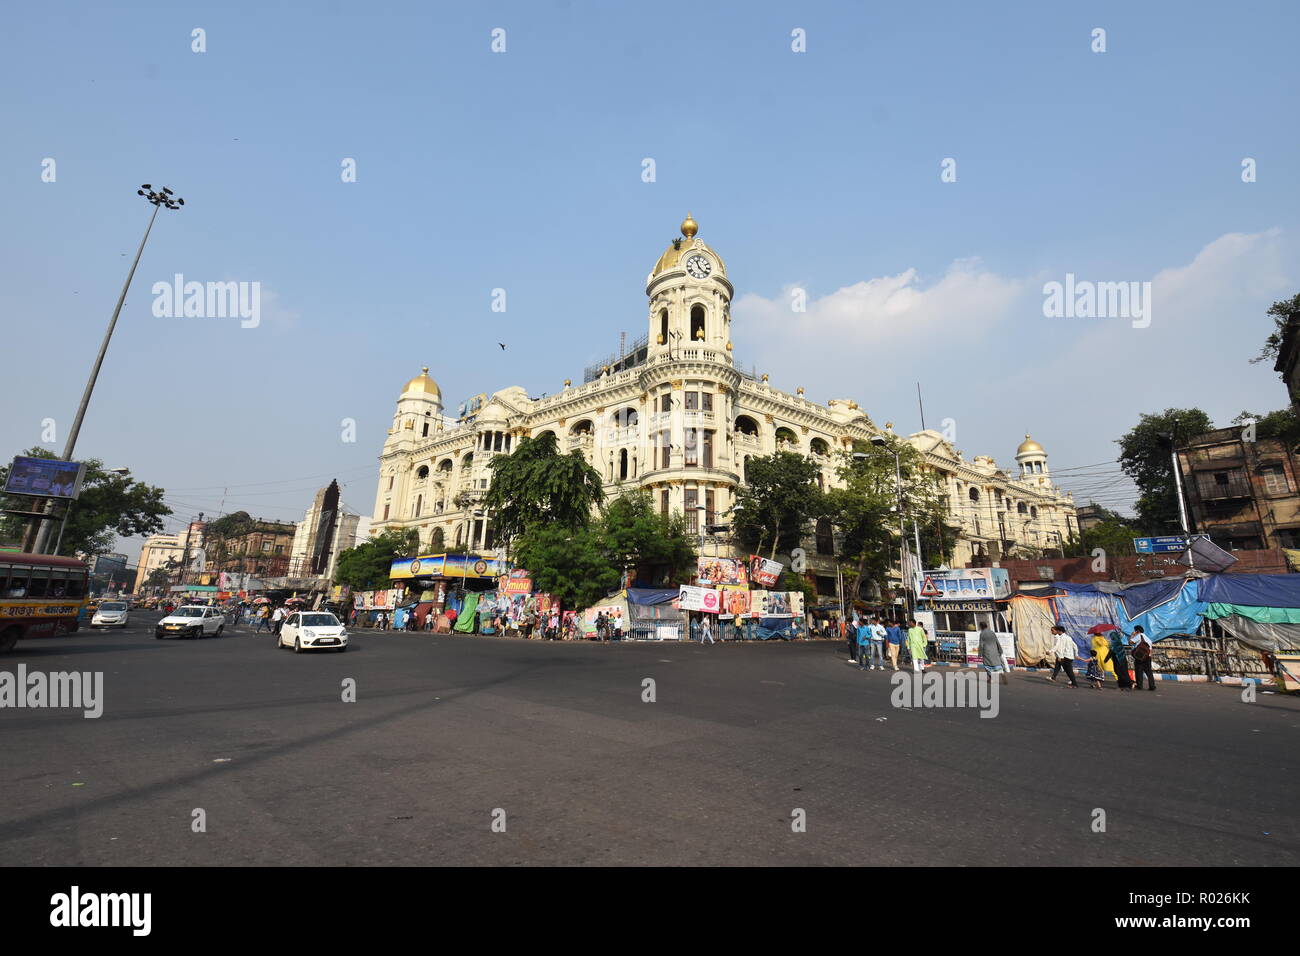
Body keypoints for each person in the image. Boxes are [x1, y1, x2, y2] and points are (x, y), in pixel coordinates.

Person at [978, 617, 1009, 685]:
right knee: (997, 664)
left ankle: (990, 679)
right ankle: (1002, 674)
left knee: (987, 666)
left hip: (987, 652)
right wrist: (1000, 650)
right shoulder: (992, 632)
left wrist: (980, 654)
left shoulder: (982, 634)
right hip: (995, 651)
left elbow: (981, 645)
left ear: (981, 627)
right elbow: (997, 642)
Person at [1131, 626, 1156, 691]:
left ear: (1137, 631)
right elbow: (1150, 650)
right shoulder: (1148, 639)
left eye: (1135, 631)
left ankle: (1139, 686)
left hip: (1140, 657)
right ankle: (1152, 686)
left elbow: (1130, 642)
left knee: (1139, 671)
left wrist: (1132, 635)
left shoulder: (1139, 635)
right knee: (1149, 672)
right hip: (1148, 657)